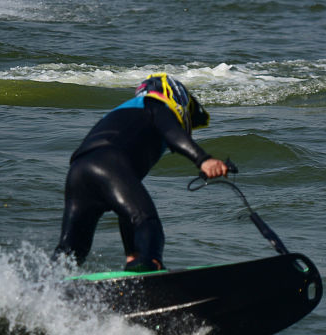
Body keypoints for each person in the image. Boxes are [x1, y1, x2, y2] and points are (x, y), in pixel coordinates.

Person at [52, 74, 230, 272]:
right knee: (147, 221)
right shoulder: (155, 105)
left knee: (72, 249)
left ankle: (46, 288)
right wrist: (203, 159)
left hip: (79, 171)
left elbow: (127, 212)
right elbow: (172, 133)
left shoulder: (126, 112)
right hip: (108, 165)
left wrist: (133, 254)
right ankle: (149, 271)